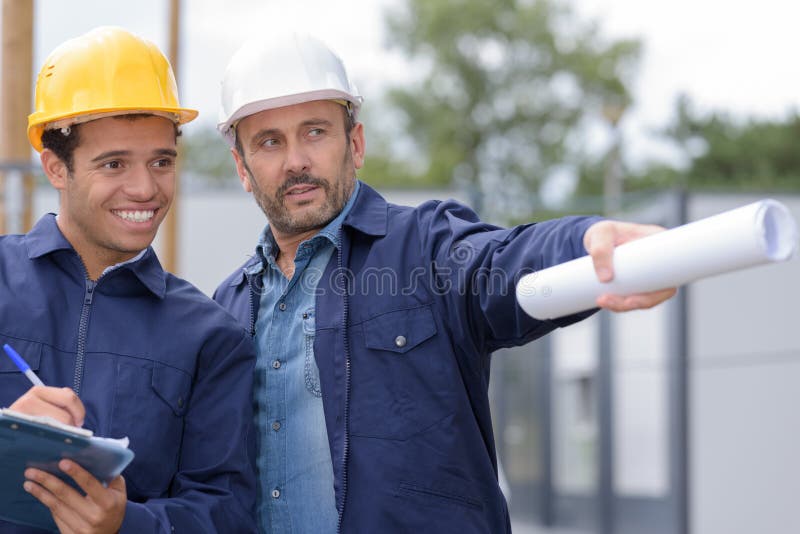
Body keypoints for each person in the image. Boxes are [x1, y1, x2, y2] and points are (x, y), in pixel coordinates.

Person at [213, 31, 675, 533]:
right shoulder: (228, 308)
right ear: (242, 168)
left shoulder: (426, 247)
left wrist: (585, 242)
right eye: (269, 142)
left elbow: (501, 263)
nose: (296, 160)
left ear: (356, 143)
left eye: (316, 132)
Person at [0, 27, 257, 533]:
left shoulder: (210, 336)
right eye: (113, 163)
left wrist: (127, 524)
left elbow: (227, 512)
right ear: (56, 167)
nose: (144, 189)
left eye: (161, 162)